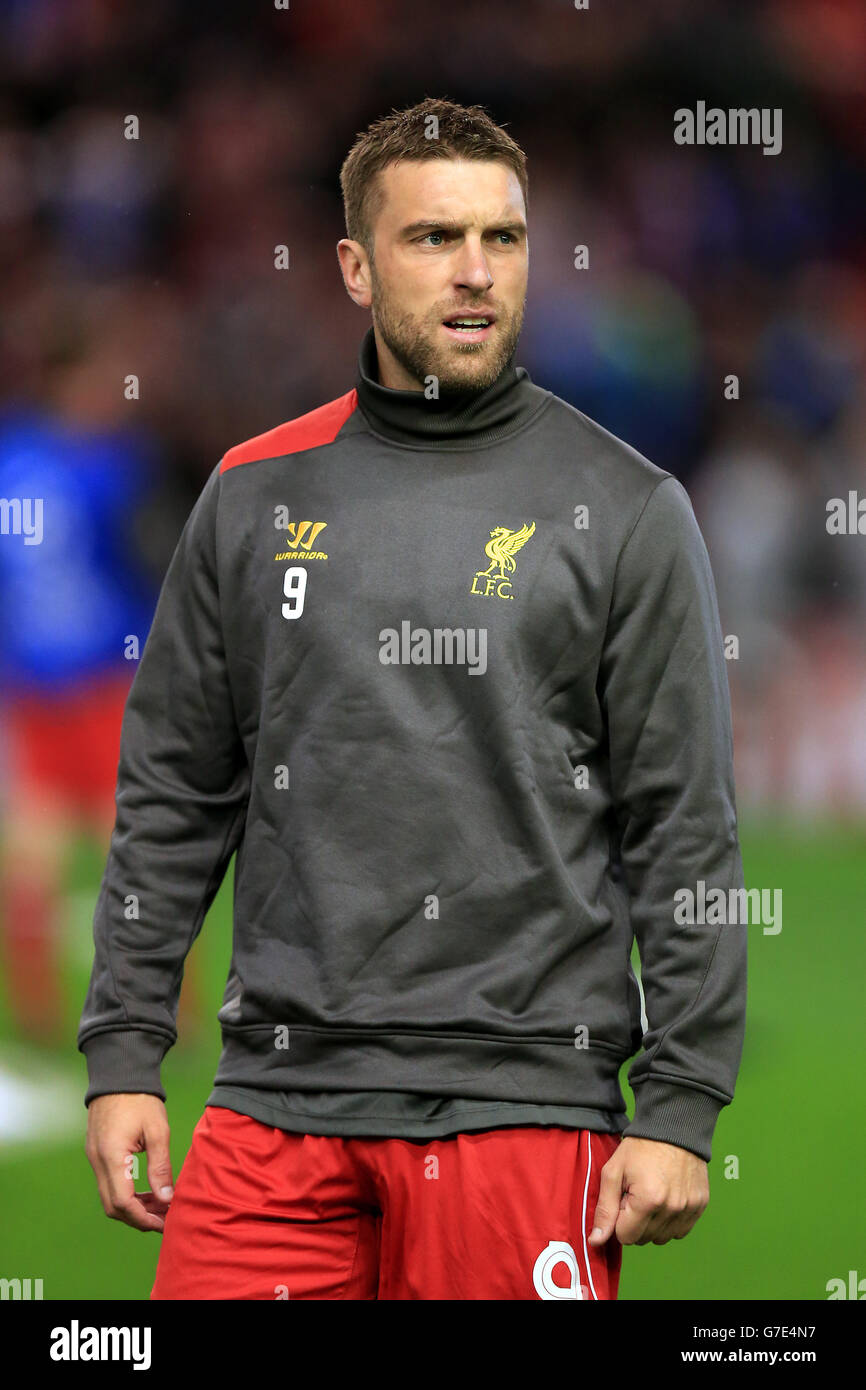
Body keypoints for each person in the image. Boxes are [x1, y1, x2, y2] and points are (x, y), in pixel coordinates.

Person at [78, 98, 747, 1301]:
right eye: (433, 238)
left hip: (524, 1111)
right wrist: (126, 1051)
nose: (477, 272)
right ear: (352, 264)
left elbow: (681, 823)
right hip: (273, 1107)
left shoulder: (627, 509)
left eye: (504, 237)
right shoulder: (249, 495)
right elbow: (174, 791)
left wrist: (683, 1102)